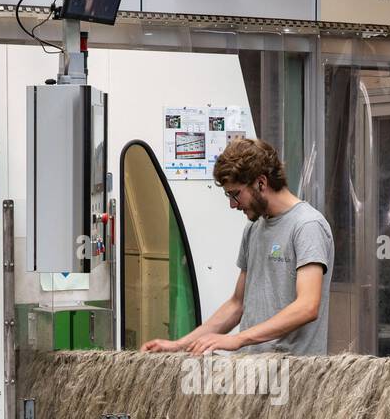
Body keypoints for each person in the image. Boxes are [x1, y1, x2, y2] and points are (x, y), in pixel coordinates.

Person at [141, 138, 333, 356]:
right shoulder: (254, 228)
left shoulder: (307, 226)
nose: (232, 204)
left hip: (295, 375)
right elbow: (236, 305)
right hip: (251, 371)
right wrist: (178, 345)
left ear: (261, 183)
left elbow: (307, 306)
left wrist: (238, 339)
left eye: (235, 194)